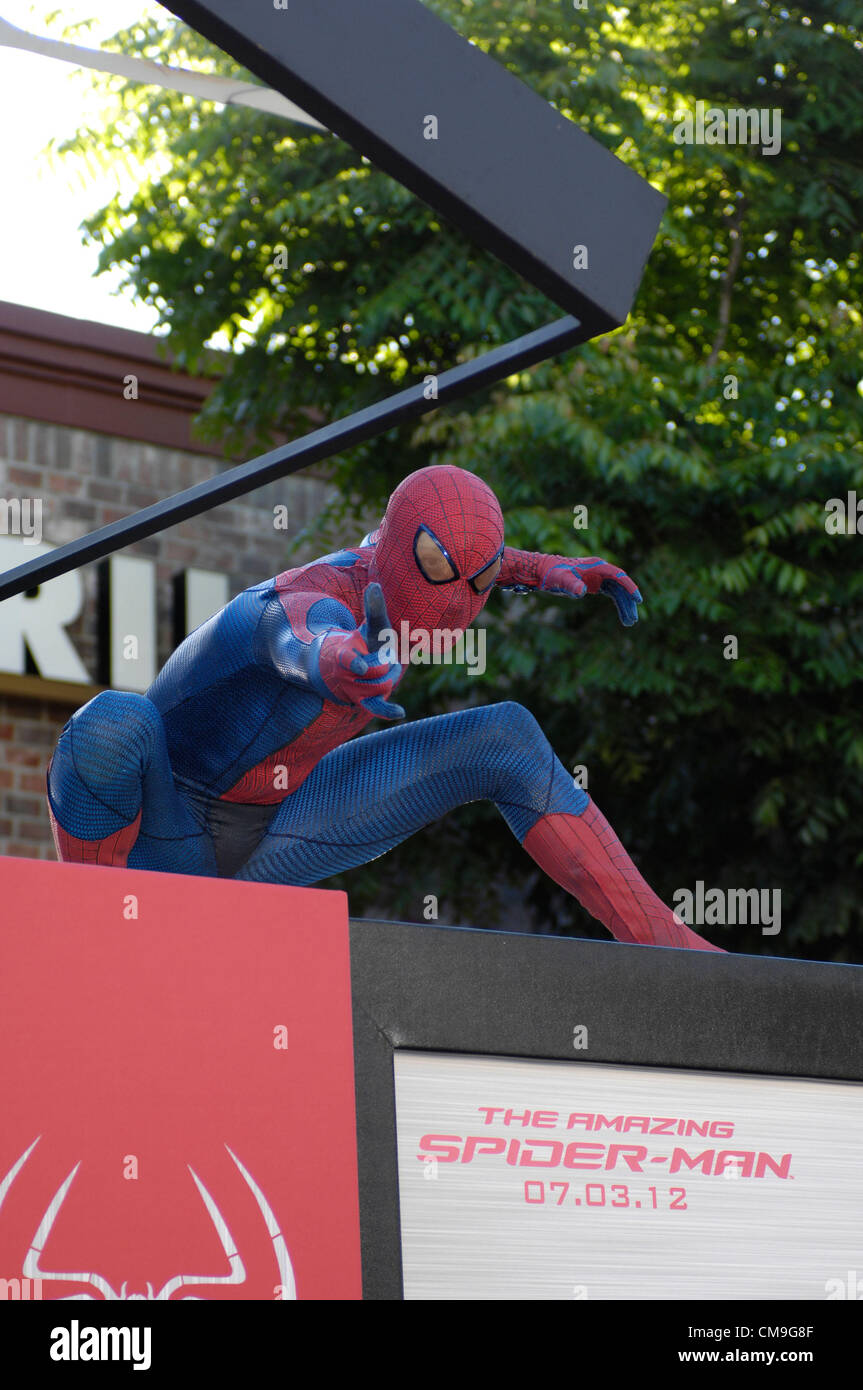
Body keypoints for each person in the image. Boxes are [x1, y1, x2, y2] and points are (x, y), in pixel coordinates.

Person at [46, 464, 722, 951]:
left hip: (278, 828)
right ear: (400, 554)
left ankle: (666, 944)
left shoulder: (399, 553)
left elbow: (465, 549)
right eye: (437, 573)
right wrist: (335, 661)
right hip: (166, 835)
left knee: (506, 736)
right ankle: (94, 936)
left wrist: (541, 569)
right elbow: (295, 635)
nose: (459, 601)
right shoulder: (310, 599)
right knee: (112, 725)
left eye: (477, 583)